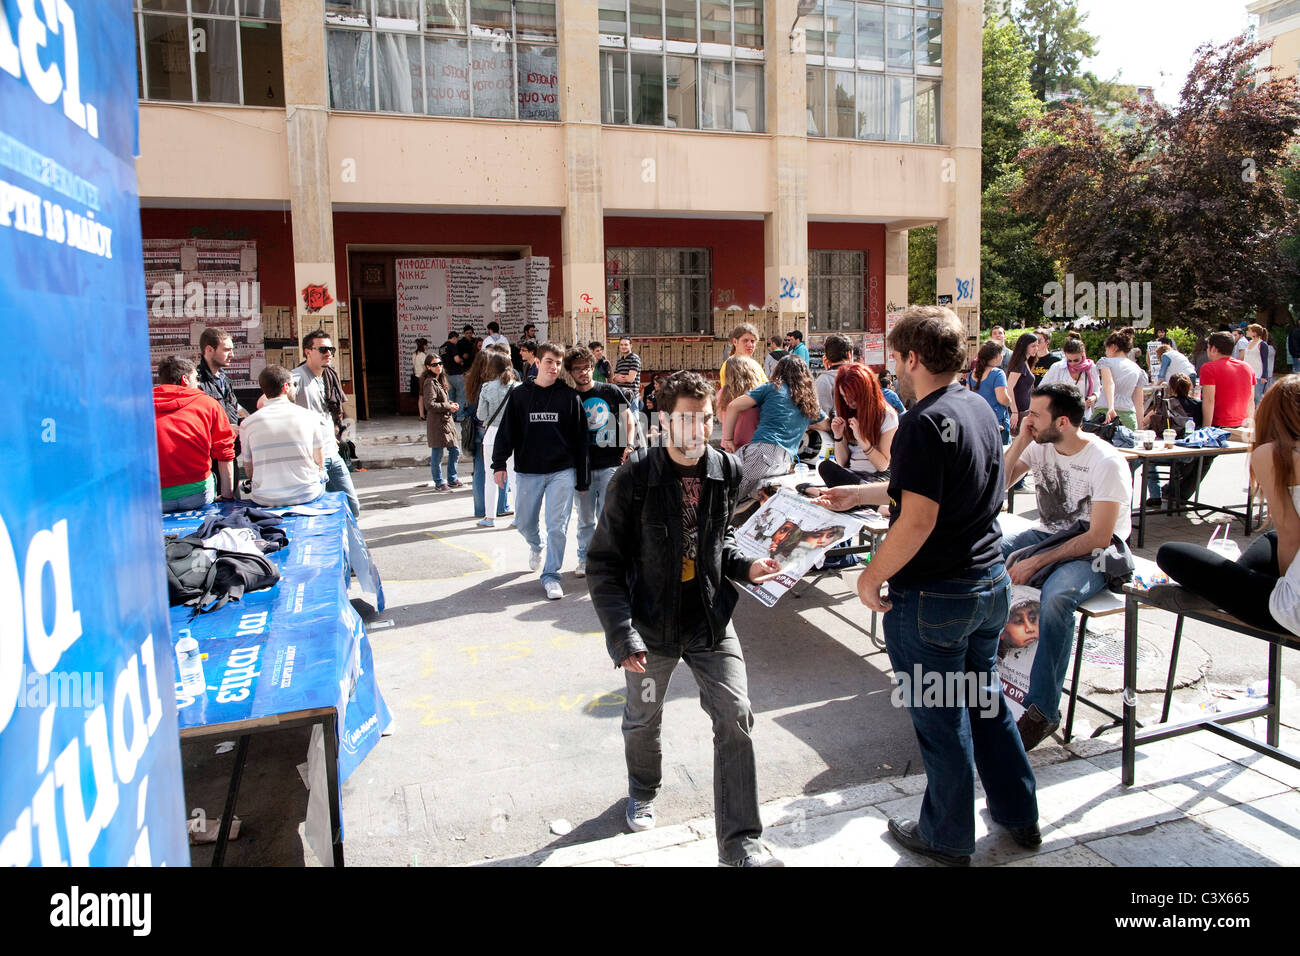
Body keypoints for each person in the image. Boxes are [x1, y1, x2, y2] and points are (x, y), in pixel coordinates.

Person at [819, 306, 1038, 866]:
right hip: (988, 585)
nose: (892, 367)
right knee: (985, 705)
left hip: (937, 596)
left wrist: (870, 578)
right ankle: (1019, 814)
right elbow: (934, 488)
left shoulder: (920, 421)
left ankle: (945, 835)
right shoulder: (978, 407)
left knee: (943, 722)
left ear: (913, 357)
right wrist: (861, 495)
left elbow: (918, 519)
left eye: (895, 356)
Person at [585, 370, 784, 867]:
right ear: (662, 422)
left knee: (736, 716)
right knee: (643, 718)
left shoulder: (725, 470)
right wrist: (621, 633)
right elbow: (604, 562)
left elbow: (722, 541)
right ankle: (643, 788)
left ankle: (741, 843)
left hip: (710, 623)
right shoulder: (635, 478)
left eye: (702, 419)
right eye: (683, 420)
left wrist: (748, 565)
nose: (694, 431)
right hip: (650, 629)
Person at [1002, 383, 1132, 750]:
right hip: (1046, 534)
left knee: (1058, 598)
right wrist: (1019, 444)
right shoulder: (1040, 446)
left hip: (1094, 549)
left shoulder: (1105, 462)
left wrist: (1035, 562)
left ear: (1062, 422)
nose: (1028, 420)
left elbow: (1099, 537)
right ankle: (982, 670)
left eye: (1035, 415)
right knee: (982, 555)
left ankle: (1042, 709)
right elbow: (996, 491)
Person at [1157, 377, 1300, 636]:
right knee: (1272, 538)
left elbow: (1292, 533)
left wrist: (1284, 584)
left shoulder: (1274, 454)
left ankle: (1219, 597)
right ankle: (1228, 590)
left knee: (1169, 553)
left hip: (1291, 611)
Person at [491, 342, 590, 600]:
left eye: (558, 363)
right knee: (524, 522)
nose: (554, 367)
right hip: (528, 471)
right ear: (537, 361)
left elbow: (581, 441)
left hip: (562, 471)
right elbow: (506, 432)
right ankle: (536, 545)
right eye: (549, 361)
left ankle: (551, 575)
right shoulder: (520, 395)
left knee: (557, 526)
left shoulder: (570, 397)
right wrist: (499, 464)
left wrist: (583, 478)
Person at [721, 355, 829, 501]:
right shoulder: (808, 400)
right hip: (785, 462)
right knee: (748, 499)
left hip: (763, 451)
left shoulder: (771, 388)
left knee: (725, 497)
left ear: (779, 371)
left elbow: (733, 406)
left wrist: (728, 439)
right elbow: (826, 424)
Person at [567, 345, 632, 577]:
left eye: (586, 367)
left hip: (610, 463)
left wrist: (629, 444)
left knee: (609, 515)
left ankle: (609, 559)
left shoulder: (611, 391)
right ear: (570, 372)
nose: (583, 372)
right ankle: (584, 558)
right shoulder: (569, 397)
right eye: (577, 369)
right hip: (582, 468)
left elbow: (628, 418)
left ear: (592, 368)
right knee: (585, 519)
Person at [153, 355, 236, 512]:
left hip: (155, 497)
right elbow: (225, 452)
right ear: (185, 380)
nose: (198, 384)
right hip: (198, 494)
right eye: (196, 378)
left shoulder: (139, 407)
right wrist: (227, 498)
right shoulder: (208, 404)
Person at [292, 329, 360, 517]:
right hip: (311, 457)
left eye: (331, 349)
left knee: (352, 507)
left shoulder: (329, 376)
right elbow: (267, 400)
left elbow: (330, 412)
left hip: (332, 451)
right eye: (322, 349)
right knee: (318, 510)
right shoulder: (297, 377)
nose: (328, 353)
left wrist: (333, 433)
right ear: (308, 351)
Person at [239, 365, 325, 507]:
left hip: (264, 498)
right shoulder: (310, 417)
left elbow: (249, 469)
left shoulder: (247, 424)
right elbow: (319, 460)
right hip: (306, 494)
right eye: (294, 384)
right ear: (285, 387)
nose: (295, 388)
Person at [820, 363, 896, 486]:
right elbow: (842, 462)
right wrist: (838, 436)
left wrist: (862, 440)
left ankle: (857, 493)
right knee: (825, 466)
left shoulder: (886, 415)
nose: (848, 402)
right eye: (844, 397)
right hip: (853, 474)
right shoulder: (846, 412)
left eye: (853, 397)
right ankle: (854, 493)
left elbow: (882, 465)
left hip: (877, 478)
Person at [469, 350, 517, 524]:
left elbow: (481, 415)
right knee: (514, 476)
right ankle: (518, 517)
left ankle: (490, 517)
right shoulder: (517, 387)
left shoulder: (487, 387)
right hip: (513, 435)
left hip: (492, 435)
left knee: (490, 477)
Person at [1145, 373, 1203, 505]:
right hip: (1191, 454)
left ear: (1172, 388)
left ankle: (1155, 496)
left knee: (1149, 462)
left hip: (1168, 452)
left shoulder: (1166, 404)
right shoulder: (1199, 404)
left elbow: (1148, 423)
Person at [419, 354, 462, 491]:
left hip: (446, 422)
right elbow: (430, 405)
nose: (438, 366)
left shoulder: (440, 380)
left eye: (440, 363)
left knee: (454, 450)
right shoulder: (429, 382)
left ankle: (452, 478)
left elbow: (440, 401)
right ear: (428, 367)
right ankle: (439, 481)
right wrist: (448, 406)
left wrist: (450, 404)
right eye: (434, 364)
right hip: (437, 423)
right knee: (437, 453)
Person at [1199, 330, 1256, 429]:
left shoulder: (1208, 368)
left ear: (1213, 349)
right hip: (1242, 425)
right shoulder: (1247, 367)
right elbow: (1251, 400)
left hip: (1219, 425)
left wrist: (1205, 429)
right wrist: (1249, 428)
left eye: (1207, 348)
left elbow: (1209, 400)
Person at [196, 327, 248, 430]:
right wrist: (226, 429)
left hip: (231, 442)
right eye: (226, 350)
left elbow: (234, 409)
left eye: (232, 350)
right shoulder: (196, 381)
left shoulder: (224, 380)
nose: (232, 355)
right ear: (209, 350)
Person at [1093, 330, 1146, 430]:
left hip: (1104, 412)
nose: (1105, 352)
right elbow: (1139, 404)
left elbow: (1109, 383)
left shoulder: (1106, 362)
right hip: (1128, 415)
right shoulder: (1138, 369)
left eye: (1106, 349)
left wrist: (1111, 407)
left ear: (1113, 347)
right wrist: (1140, 429)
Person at [1040, 338, 1100, 416]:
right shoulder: (1057, 367)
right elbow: (1042, 388)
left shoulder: (1091, 368)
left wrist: (1094, 397)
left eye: (1076, 360)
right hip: (1061, 413)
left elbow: (1098, 389)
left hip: (1084, 414)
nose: (1072, 364)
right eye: (1069, 360)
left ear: (1083, 354)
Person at [968, 340, 1012, 445]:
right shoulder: (998, 374)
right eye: (1002, 354)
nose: (1002, 356)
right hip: (996, 423)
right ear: (997, 355)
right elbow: (1002, 399)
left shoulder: (972, 374)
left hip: (976, 421)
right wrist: (1009, 402)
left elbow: (968, 397)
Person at [717, 355, 766, 446]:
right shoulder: (756, 393)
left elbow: (720, 418)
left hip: (729, 444)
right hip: (752, 443)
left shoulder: (722, 392)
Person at [1005, 333, 1038, 437]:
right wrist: (1015, 412)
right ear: (1024, 346)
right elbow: (1009, 387)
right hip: (1018, 412)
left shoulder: (1025, 362)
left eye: (1037, 345)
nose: (1036, 348)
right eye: (1033, 346)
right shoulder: (1020, 363)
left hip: (1025, 410)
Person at [814, 333, 852, 415]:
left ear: (826, 357)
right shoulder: (860, 377)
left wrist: (827, 373)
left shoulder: (823, 381)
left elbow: (821, 415)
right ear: (849, 354)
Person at [719, 322, 765, 389]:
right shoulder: (729, 365)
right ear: (735, 342)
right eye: (745, 340)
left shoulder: (755, 364)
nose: (750, 345)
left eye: (752, 341)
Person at [1243, 323, 1275, 405]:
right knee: (1248, 396)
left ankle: (1262, 414)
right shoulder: (1248, 343)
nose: (1247, 332)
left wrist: (1264, 376)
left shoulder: (1262, 344)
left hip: (1257, 374)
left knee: (1257, 397)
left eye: (1249, 330)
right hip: (1247, 374)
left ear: (1254, 333)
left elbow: (1265, 361)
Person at [611, 337, 643, 411]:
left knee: (634, 419)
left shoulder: (635, 359)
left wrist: (618, 377)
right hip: (621, 395)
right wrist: (617, 378)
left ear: (630, 346)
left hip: (632, 396)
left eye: (626, 344)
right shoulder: (619, 361)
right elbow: (614, 379)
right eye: (621, 345)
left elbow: (630, 379)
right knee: (623, 420)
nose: (623, 347)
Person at [412, 337, 429, 404]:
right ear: (424, 346)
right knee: (424, 395)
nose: (427, 346)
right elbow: (424, 367)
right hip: (422, 377)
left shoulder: (414, 354)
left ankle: (421, 413)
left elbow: (413, 367)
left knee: (420, 396)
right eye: (426, 345)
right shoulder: (422, 355)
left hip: (416, 376)